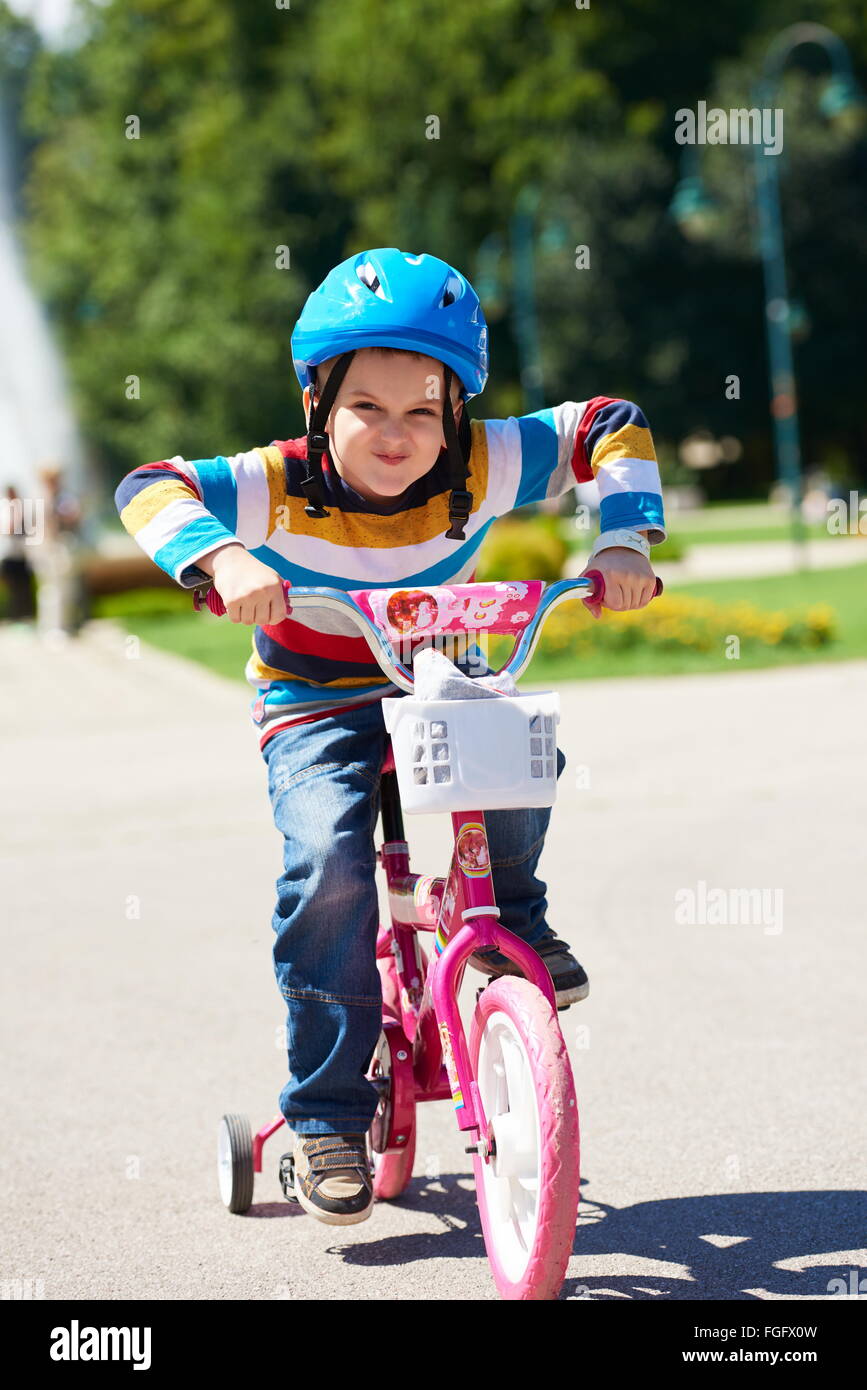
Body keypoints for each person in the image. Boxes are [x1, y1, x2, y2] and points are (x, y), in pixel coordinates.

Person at [114, 248, 666, 1226]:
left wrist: (622, 537)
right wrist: (224, 556)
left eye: (424, 409)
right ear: (319, 398)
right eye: (366, 405)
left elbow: (606, 425)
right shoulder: (274, 483)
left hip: (435, 675)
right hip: (314, 700)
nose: (396, 433)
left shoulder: (489, 461)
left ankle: (518, 922)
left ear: (458, 412)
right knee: (329, 864)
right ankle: (326, 1115)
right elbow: (148, 484)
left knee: (517, 745)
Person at [0, 485, 37, 624]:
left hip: (22, 555)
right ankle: (15, 618)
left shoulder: (23, 508)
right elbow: (8, 529)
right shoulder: (5, 510)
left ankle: (26, 617)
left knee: (25, 590)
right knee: (13, 591)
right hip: (10, 555)